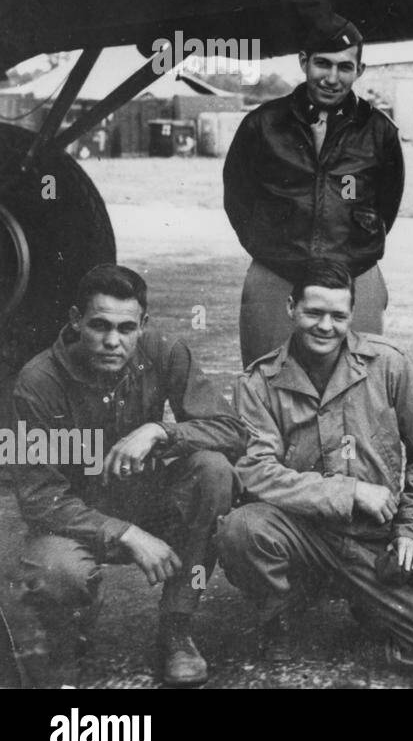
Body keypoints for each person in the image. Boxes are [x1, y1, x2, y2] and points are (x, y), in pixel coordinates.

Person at [215, 258, 413, 673]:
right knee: (241, 529)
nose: (325, 326)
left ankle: (371, 604)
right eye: (313, 312)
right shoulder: (258, 383)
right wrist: (349, 492)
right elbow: (255, 471)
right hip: (302, 533)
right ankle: (280, 612)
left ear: (352, 314)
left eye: (338, 315)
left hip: (375, 538)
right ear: (290, 308)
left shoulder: (390, 364)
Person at [9, 264, 244, 687]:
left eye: (126, 327)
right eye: (98, 325)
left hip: (147, 500)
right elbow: (40, 498)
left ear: (143, 326)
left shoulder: (165, 351)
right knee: (56, 573)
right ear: (75, 319)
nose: (112, 341)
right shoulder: (36, 382)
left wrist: (160, 431)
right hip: (72, 521)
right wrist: (126, 533)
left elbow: (232, 431)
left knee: (214, 471)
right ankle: (66, 641)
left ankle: (176, 626)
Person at [223, 19, 404, 367]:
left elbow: (386, 205)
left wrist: (354, 249)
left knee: (358, 383)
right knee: (267, 382)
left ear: (359, 70)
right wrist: (270, 246)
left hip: (354, 271)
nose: (332, 77)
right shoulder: (262, 125)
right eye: (323, 63)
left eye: (345, 67)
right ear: (304, 60)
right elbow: (237, 196)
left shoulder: (379, 131)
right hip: (277, 269)